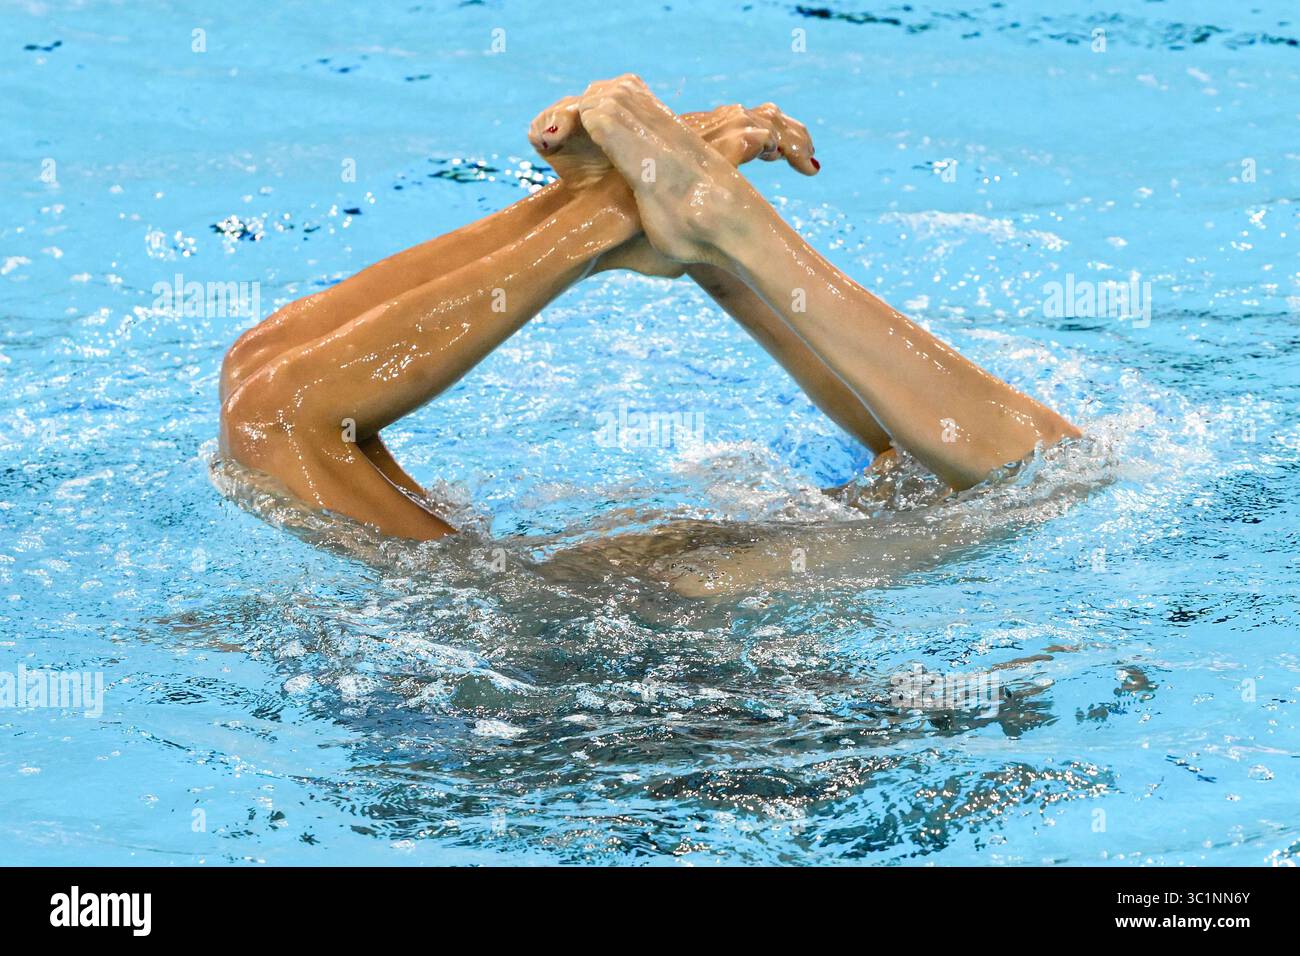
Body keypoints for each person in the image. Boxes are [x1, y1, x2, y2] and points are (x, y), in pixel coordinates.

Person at [219, 75, 1080, 559]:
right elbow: (264, 366)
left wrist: (611, 214)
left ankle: (721, 230)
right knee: (958, 475)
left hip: (670, 643)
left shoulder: (475, 598)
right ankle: (716, 234)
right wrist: (605, 199)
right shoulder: (479, 585)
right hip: (677, 625)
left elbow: (276, 412)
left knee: (1029, 482)